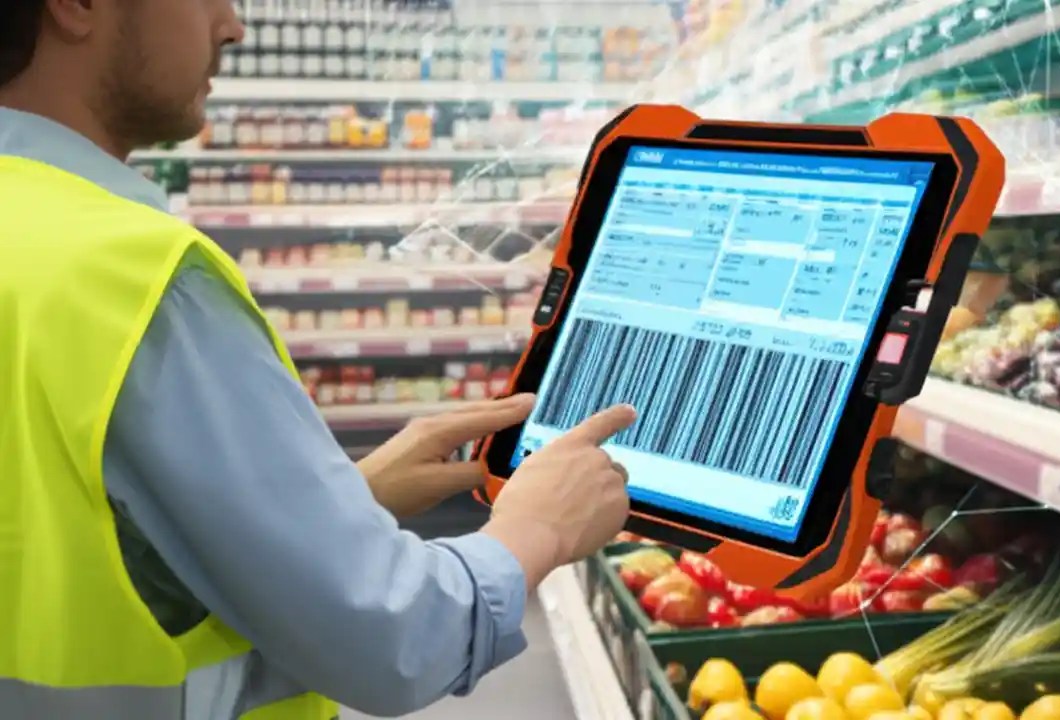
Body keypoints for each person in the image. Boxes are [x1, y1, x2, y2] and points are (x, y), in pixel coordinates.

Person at [0, 0, 635, 718]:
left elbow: (90, 553)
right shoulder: (129, 276)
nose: (233, 26)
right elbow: (394, 643)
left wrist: (340, 507)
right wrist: (537, 530)